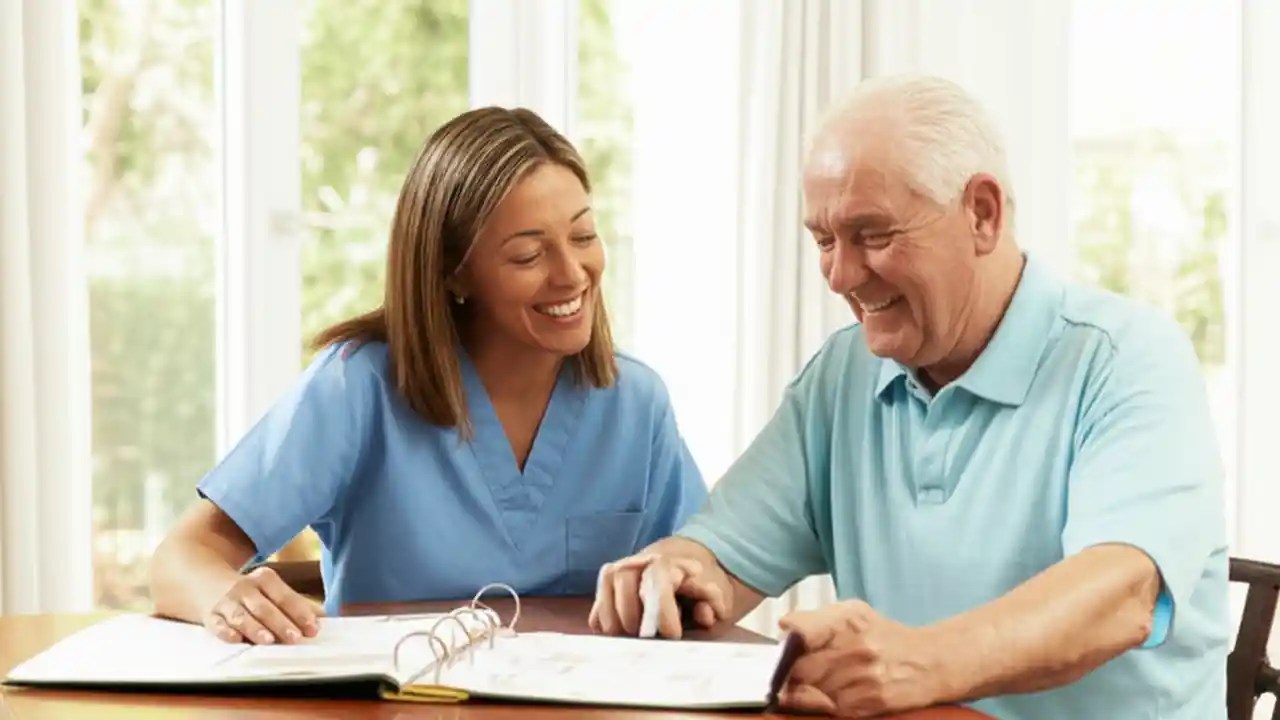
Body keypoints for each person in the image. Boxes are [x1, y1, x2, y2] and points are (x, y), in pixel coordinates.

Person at [589, 74, 1228, 719]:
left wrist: (918, 663)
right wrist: (678, 571)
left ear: (982, 213)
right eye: (824, 241)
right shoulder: (843, 374)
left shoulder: (1127, 358)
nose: (839, 275)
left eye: (872, 235)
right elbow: (725, 557)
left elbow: (1121, 596)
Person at [149, 106, 707, 645]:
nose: (571, 274)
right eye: (527, 255)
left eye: (583, 237)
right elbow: (183, 557)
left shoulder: (636, 403)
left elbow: (701, 566)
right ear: (453, 272)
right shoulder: (356, 387)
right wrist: (228, 597)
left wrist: (679, 580)